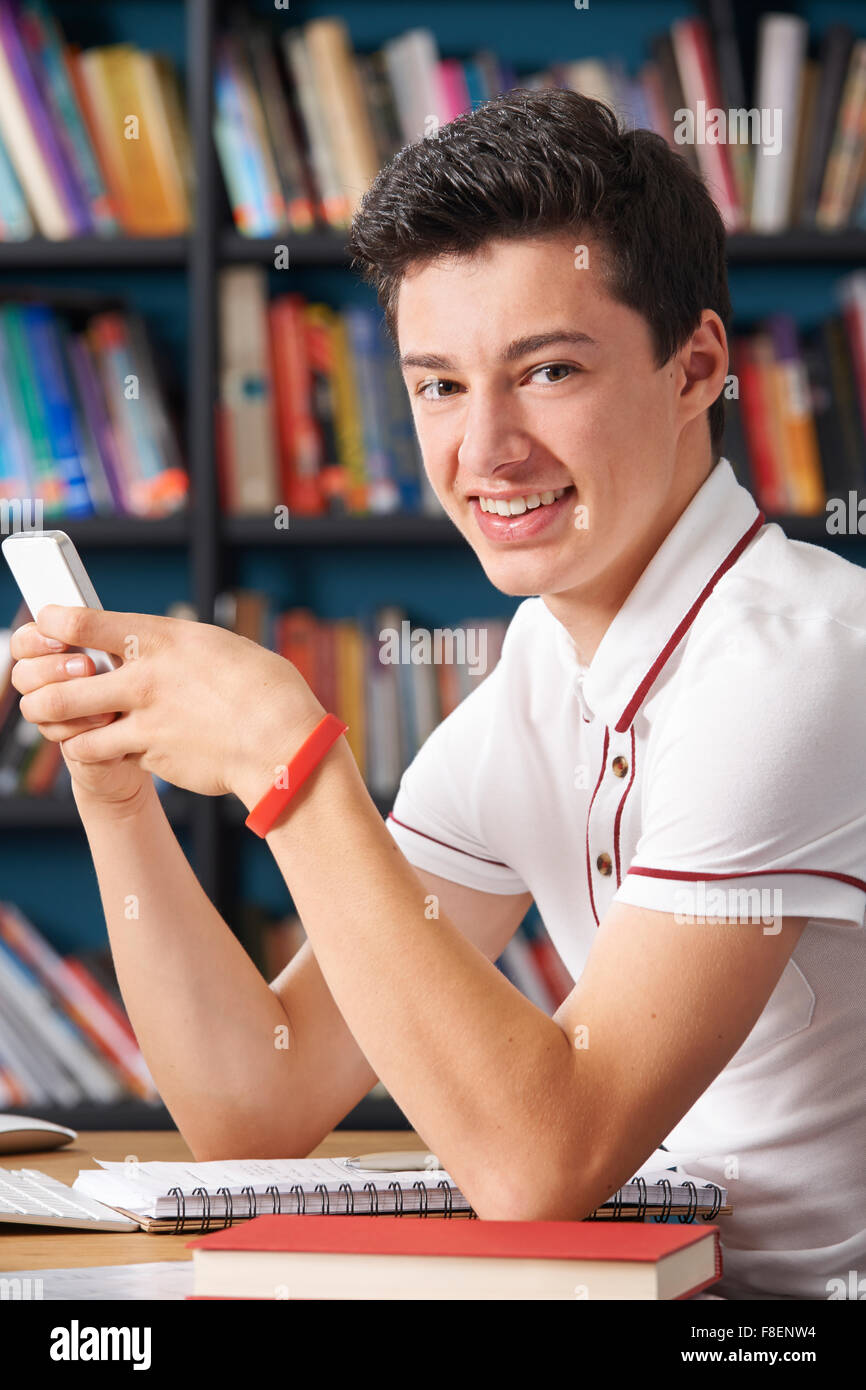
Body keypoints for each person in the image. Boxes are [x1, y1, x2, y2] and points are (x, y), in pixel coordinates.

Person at [10, 90, 865, 1300]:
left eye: (547, 369)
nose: (485, 450)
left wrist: (288, 763)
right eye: (437, 387)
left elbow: (541, 1157)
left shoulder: (795, 665)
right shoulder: (543, 672)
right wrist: (113, 792)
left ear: (696, 371)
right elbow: (258, 1097)